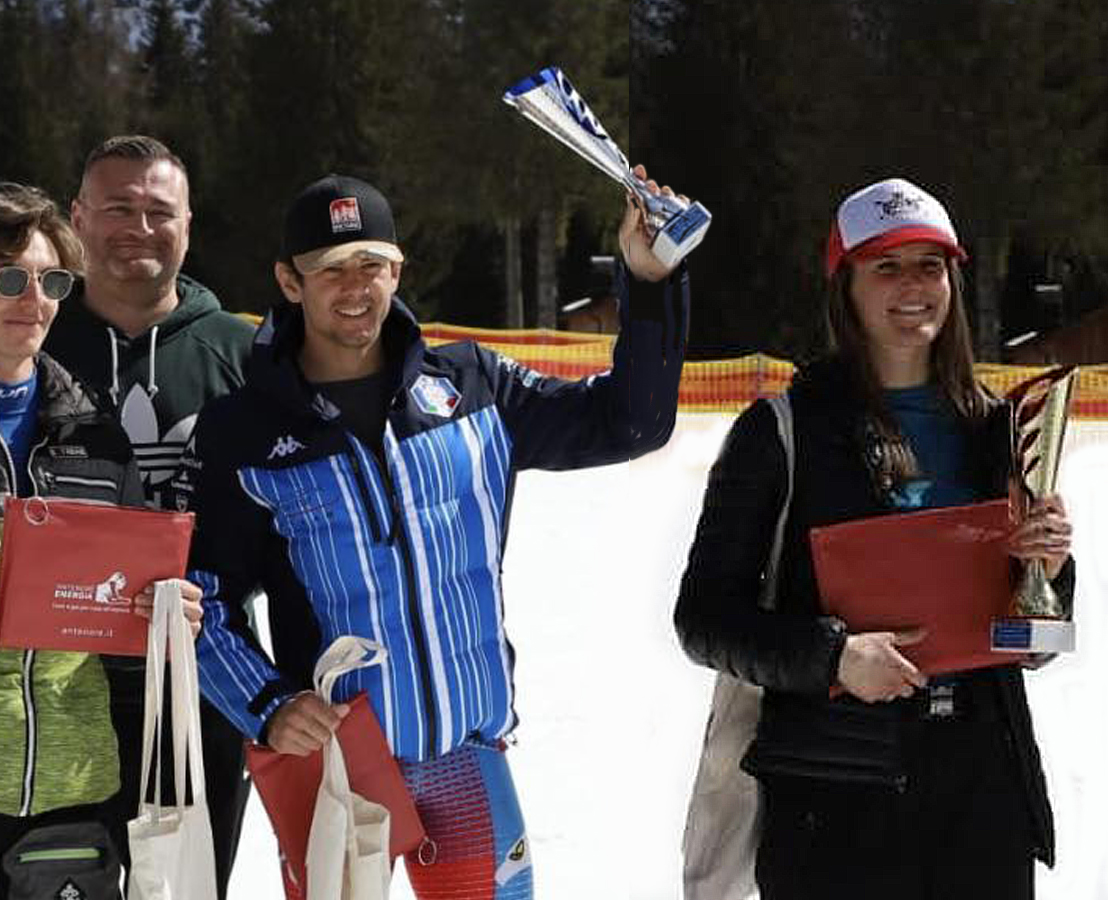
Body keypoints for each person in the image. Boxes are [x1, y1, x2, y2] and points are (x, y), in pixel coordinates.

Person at [179, 169, 689, 898]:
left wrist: (649, 281)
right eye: (331, 269)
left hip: (467, 757)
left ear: (398, 270)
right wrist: (266, 704)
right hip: (339, 770)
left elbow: (631, 423)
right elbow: (204, 596)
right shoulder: (244, 431)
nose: (356, 287)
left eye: (372, 264)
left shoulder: (472, 388)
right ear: (290, 282)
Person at [674, 177, 1074, 899]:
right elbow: (703, 620)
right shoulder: (781, 432)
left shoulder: (998, 428)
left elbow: (1033, 644)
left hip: (981, 799)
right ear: (845, 287)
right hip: (834, 807)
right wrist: (834, 657)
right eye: (886, 267)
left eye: (930, 265)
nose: (912, 286)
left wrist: (1049, 571)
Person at [41, 135, 255, 898]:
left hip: (201, 691)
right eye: (117, 208)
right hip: (55, 696)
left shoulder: (247, 353)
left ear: (188, 224)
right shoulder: (32, 334)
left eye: (159, 211)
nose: (139, 227)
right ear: (78, 218)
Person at [0, 182, 202, 897]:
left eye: (52, 281)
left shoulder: (97, 437)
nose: (34, 300)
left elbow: (122, 618)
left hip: (74, 790)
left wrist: (165, 615)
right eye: (10, 279)